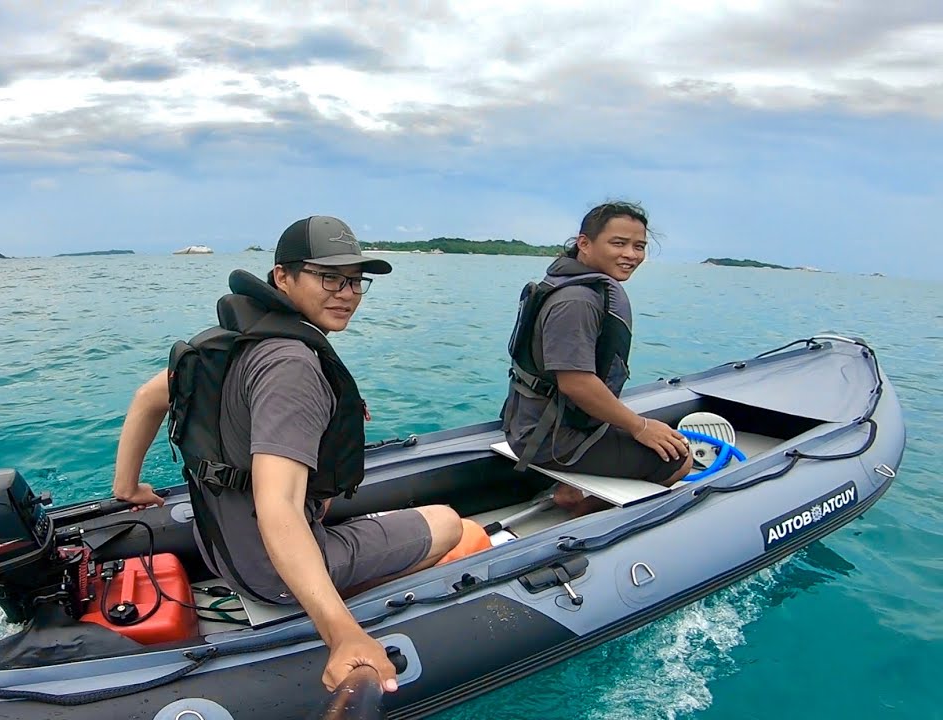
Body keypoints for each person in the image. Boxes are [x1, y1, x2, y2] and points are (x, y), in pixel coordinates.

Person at [111, 215, 463, 694]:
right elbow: (278, 510)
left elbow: (147, 399)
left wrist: (126, 488)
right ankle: (335, 602)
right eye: (329, 277)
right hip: (269, 574)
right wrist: (342, 636)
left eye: (356, 281)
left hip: (220, 546)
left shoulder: (230, 341)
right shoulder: (292, 366)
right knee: (449, 524)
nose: (347, 293)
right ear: (282, 277)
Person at [501, 201, 692, 517]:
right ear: (584, 244)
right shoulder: (577, 300)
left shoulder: (575, 285)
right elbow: (576, 384)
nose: (631, 254)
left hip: (542, 421)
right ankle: (580, 506)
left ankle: (576, 485)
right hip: (552, 438)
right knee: (679, 458)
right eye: (618, 243)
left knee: (658, 434)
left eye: (639, 246)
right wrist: (640, 426)